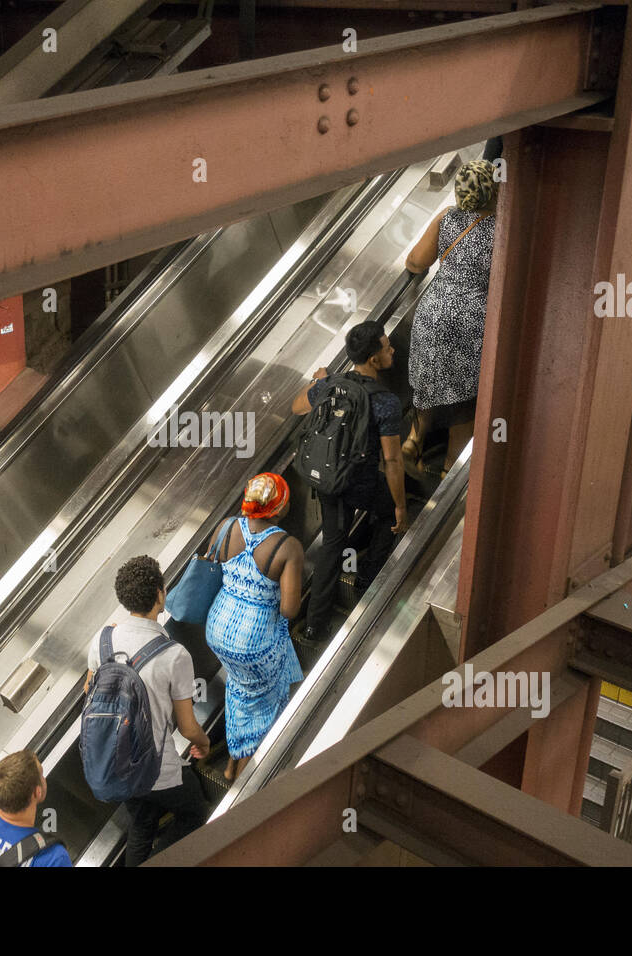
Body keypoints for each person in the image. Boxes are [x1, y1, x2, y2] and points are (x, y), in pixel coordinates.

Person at [84, 555, 210, 866]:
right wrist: (204, 743)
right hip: (158, 769)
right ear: (159, 594)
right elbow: (187, 727)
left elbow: (89, 691)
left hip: (118, 762)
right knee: (194, 813)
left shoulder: (102, 640)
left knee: (142, 822)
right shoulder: (174, 655)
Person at [290, 320, 407, 644]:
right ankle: (367, 580)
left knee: (332, 545)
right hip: (361, 482)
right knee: (386, 515)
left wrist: (319, 382)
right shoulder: (385, 401)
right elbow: (393, 460)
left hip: (328, 480)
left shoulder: (333, 384)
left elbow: (297, 406)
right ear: (373, 359)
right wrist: (399, 507)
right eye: (387, 347)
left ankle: (314, 627)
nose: (392, 349)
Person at [203, 473, 306, 782]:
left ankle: (231, 764)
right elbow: (289, 609)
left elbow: (212, 561)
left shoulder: (226, 526)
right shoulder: (288, 547)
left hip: (218, 629)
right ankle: (246, 781)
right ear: (278, 509)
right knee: (261, 704)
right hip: (254, 641)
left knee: (239, 690)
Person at [402, 158, 498, 475]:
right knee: (463, 401)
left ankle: (414, 440)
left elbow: (416, 262)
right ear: (494, 191)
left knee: (428, 380)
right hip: (470, 321)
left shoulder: (447, 218)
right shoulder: (502, 230)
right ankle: (449, 468)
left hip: (433, 312)